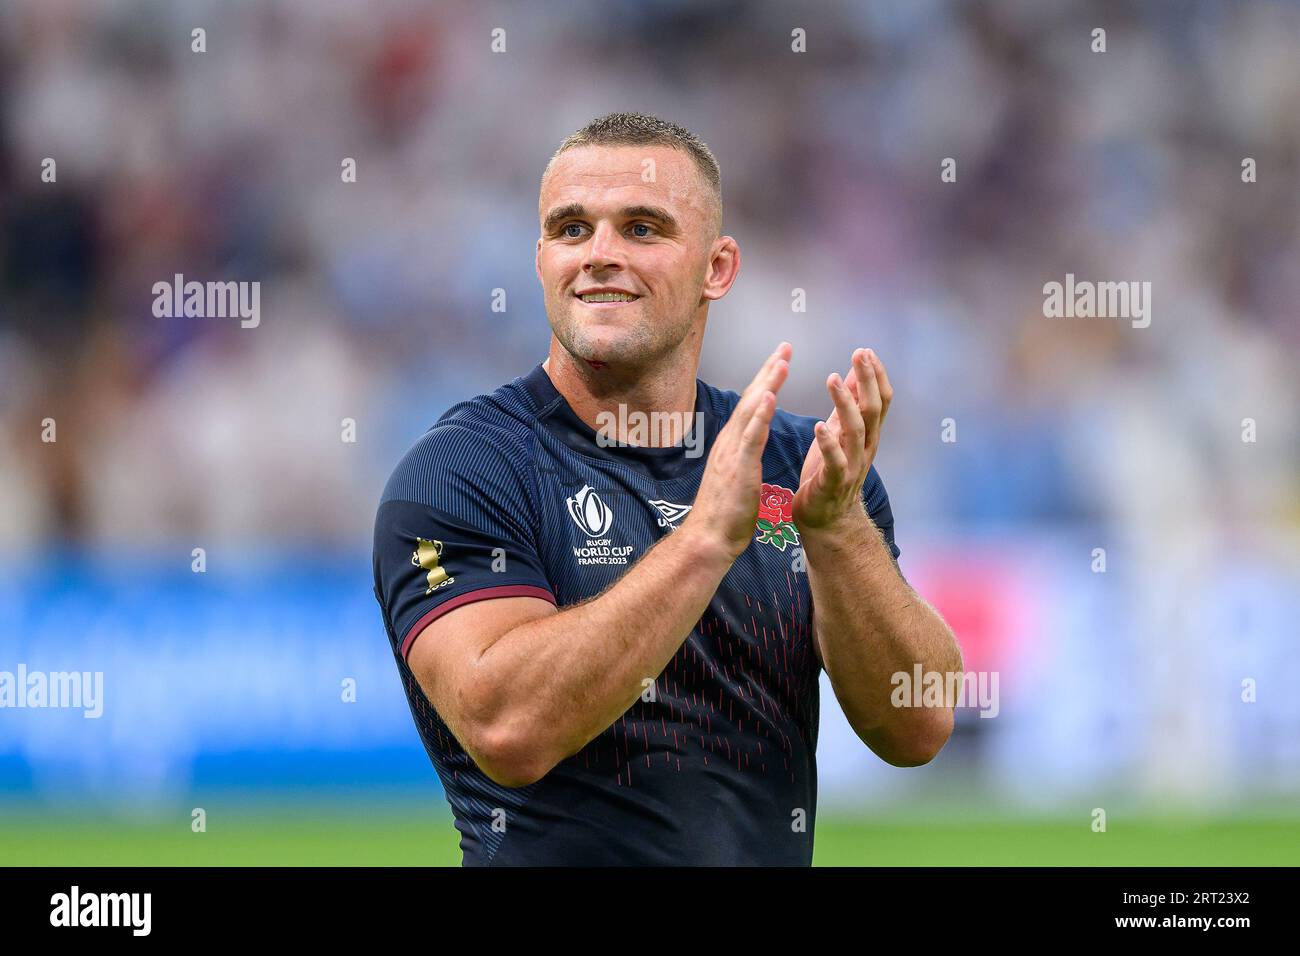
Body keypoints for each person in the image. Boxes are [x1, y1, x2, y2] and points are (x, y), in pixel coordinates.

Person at [373, 112, 962, 865]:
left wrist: (839, 529)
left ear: (717, 269)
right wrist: (705, 540)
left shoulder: (805, 469)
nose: (600, 255)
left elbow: (919, 724)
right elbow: (507, 729)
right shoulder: (463, 472)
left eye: (643, 228)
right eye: (571, 228)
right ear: (541, 258)